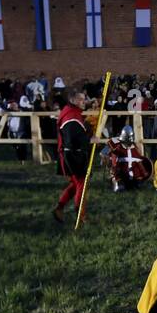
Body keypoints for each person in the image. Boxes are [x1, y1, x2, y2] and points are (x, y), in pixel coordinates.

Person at [53, 90, 90, 223]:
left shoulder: (73, 112)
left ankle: (59, 208)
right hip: (73, 155)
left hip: (72, 154)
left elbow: (78, 133)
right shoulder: (71, 116)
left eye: (84, 99)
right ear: (73, 100)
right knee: (81, 183)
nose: (84, 102)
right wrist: (89, 140)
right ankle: (81, 214)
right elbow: (71, 139)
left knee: (75, 184)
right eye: (81, 99)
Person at [107, 124, 152, 191]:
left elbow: (140, 161)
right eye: (128, 137)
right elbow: (111, 142)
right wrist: (120, 139)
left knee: (138, 186)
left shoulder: (135, 148)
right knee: (120, 188)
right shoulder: (118, 148)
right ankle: (120, 184)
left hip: (134, 177)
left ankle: (136, 184)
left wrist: (144, 174)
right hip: (122, 176)